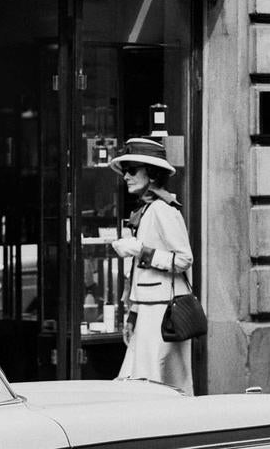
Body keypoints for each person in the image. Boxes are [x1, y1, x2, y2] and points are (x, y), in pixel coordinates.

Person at [108, 136, 194, 394]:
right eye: (125, 171)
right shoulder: (147, 210)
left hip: (162, 313)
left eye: (133, 170)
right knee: (146, 383)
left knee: (155, 385)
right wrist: (133, 314)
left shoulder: (163, 210)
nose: (126, 177)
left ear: (152, 175)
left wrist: (141, 251)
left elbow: (184, 259)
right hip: (149, 312)